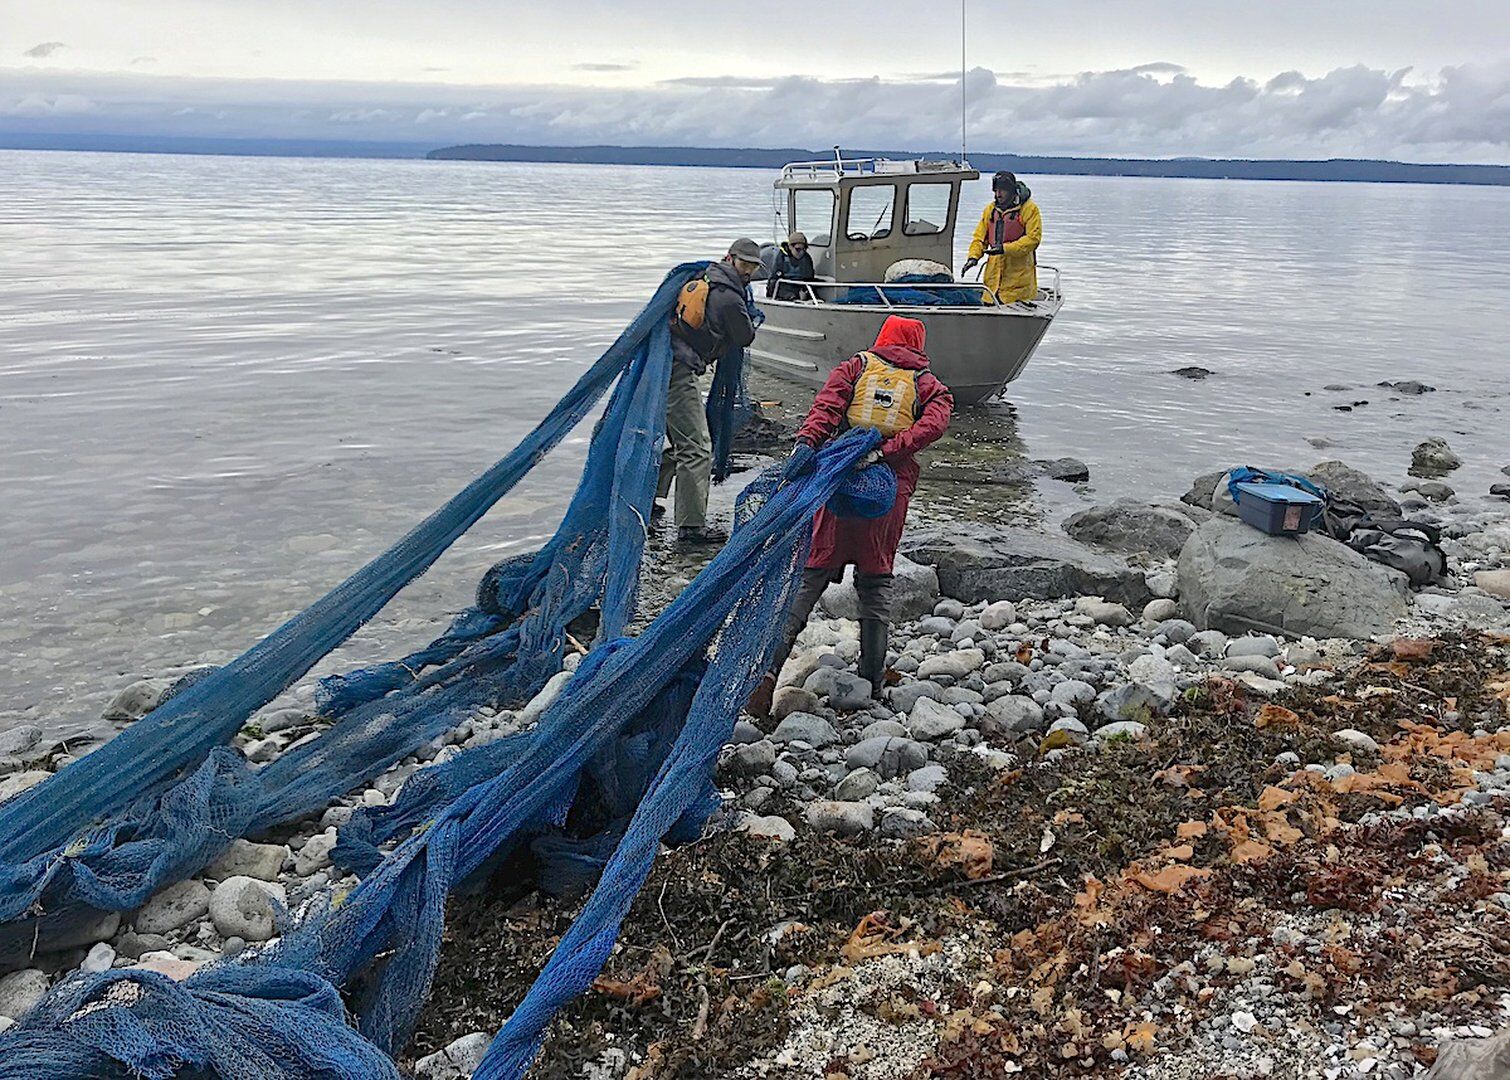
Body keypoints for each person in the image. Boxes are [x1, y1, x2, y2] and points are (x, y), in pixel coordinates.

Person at [748, 315, 953, 716]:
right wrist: (887, 451)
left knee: (808, 579)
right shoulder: (929, 386)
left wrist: (806, 444)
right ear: (917, 346)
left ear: (883, 339)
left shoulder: (856, 368)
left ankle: (767, 674)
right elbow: (933, 426)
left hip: (838, 483)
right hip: (886, 494)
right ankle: (872, 682)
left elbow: (826, 408)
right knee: (876, 587)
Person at [657, 239, 761, 544]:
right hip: (680, 369)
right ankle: (691, 528)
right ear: (730, 259)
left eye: (753, 267)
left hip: (669, 363)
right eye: (745, 264)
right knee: (698, 448)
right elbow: (745, 335)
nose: (748, 272)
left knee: (682, 442)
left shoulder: (703, 276)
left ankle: (646, 498)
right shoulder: (730, 298)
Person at [961, 171, 1042, 305]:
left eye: (1002, 190)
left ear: (1011, 191)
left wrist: (1004, 249)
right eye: (996, 190)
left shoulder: (1029, 209)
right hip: (991, 287)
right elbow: (979, 238)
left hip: (1019, 288)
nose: (998, 194)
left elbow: (1033, 239)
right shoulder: (990, 210)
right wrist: (973, 257)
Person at [765, 230, 815, 300]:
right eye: (798, 249)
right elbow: (774, 279)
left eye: (804, 249)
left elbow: (809, 278)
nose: (801, 252)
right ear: (790, 247)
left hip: (801, 286)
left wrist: (806, 292)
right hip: (784, 286)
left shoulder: (807, 258)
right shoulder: (781, 257)